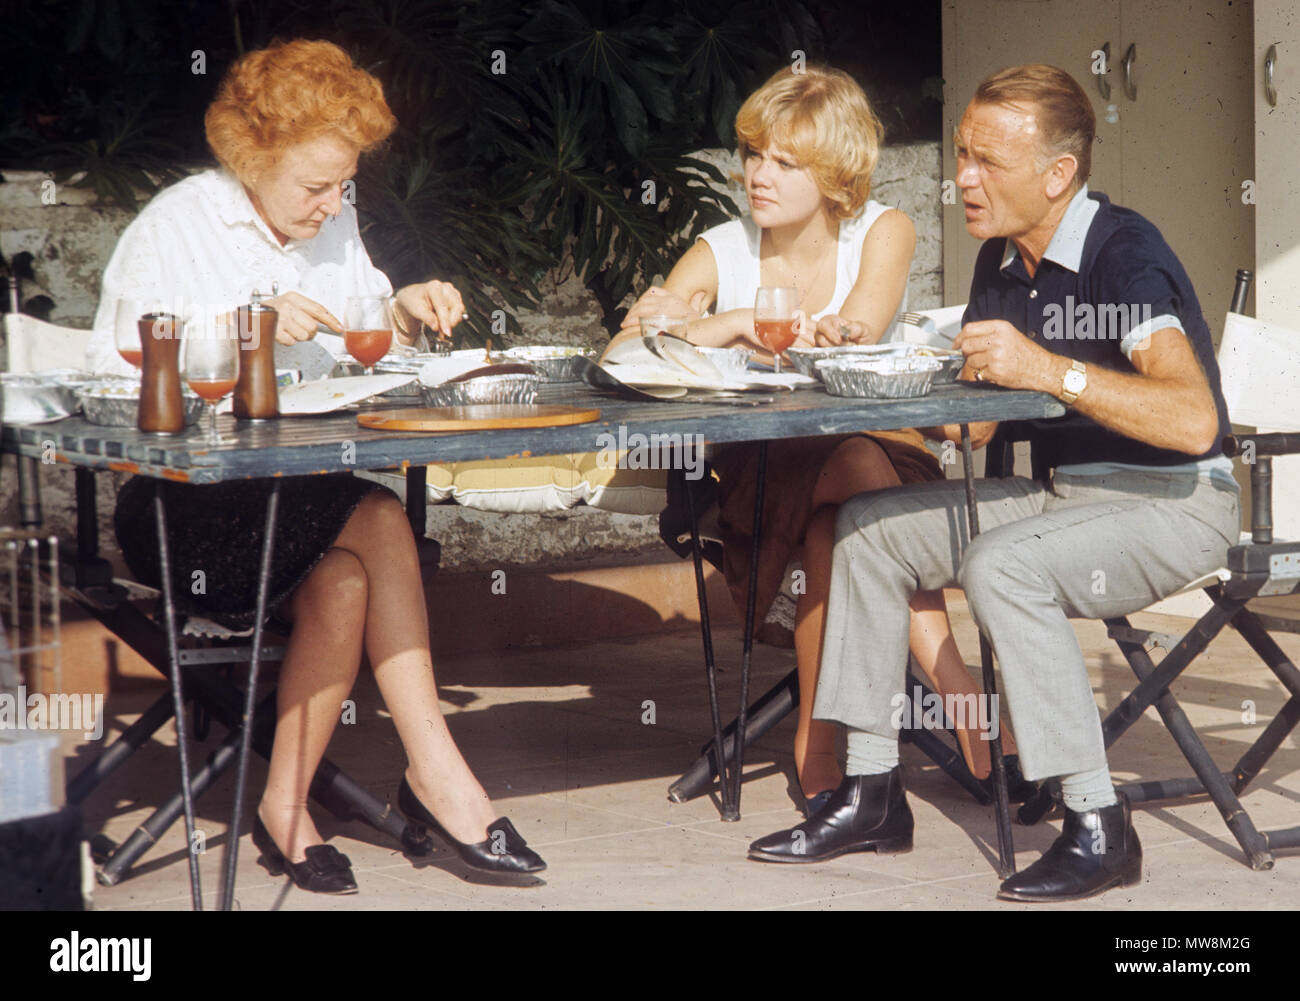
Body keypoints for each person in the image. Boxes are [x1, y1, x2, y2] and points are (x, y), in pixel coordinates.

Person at [748, 64, 1241, 903]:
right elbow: (977, 425)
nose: (963, 178)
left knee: (1003, 564)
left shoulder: (1125, 253)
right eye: (962, 154)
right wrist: (908, 384)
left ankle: (1098, 823)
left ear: (1057, 176)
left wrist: (1052, 370)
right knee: (868, 528)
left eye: (987, 162)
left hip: (1175, 502)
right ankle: (871, 793)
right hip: (1065, 498)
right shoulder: (1001, 262)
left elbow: (1194, 419)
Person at [89, 39, 545, 893]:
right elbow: (107, 374)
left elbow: (359, 334)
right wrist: (240, 324)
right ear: (250, 159)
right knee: (373, 514)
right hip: (182, 508)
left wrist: (404, 314)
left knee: (343, 577)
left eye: (345, 184)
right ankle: (437, 771)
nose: (333, 203)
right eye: (314, 186)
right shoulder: (177, 226)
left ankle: (285, 805)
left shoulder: (332, 217)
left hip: (294, 495)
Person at [606, 65, 1026, 814]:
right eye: (754, 154)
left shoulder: (883, 231)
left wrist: (841, 333)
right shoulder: (724, 249)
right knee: (852, 489)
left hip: (881, 441)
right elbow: (629, 351)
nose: (759, 175)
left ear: (835, 177)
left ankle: (818, 742)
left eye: (786, 162)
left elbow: (863, 321)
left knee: (849, 503)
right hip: (762, 466)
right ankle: (958, 686)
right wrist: (724, 323)